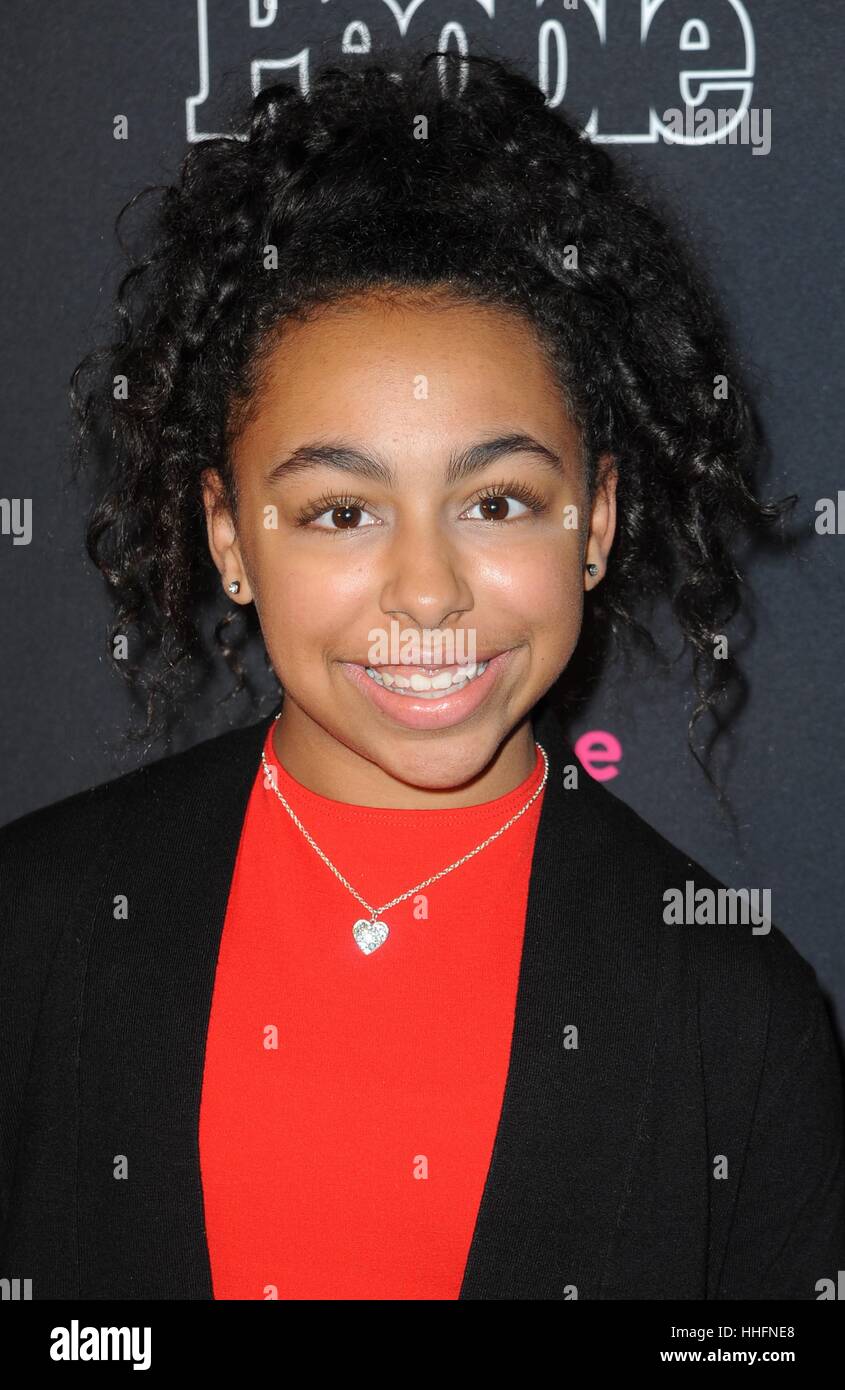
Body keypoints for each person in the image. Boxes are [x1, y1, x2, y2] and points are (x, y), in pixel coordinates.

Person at [1, 49, 842, 1302]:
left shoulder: (738, 1020)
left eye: (497, 499)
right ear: (231, 538)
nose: (428, 589)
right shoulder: (32, 927)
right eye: (340, 512)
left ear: (596, 521)